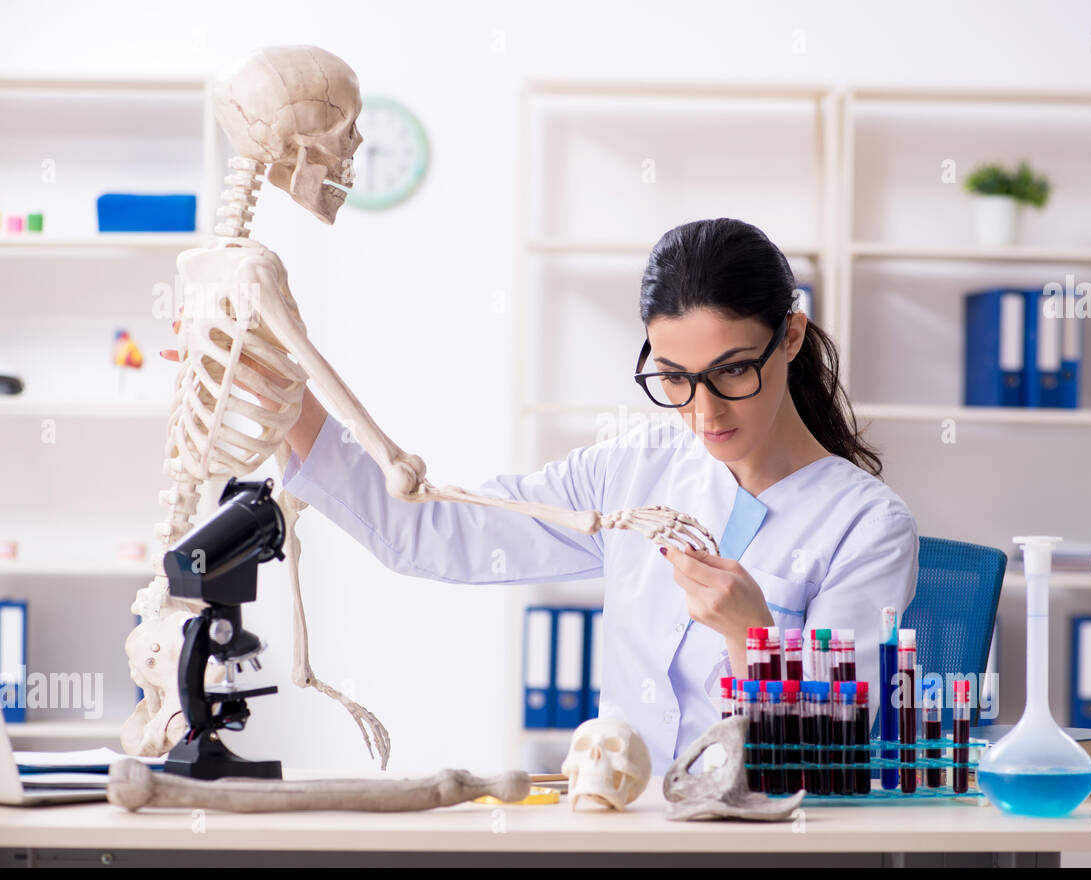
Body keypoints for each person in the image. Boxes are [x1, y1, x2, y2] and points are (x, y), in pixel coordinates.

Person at [166, 217, 919, 775]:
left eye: (731, 372)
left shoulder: (867, 525)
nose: (705, 412)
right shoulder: (636, 470)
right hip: (617, 819)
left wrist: (751, 637)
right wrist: (282, 393)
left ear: (791, 335)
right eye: (675, 379)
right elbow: (442, 532)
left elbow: (836, 755)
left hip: (762, 837)